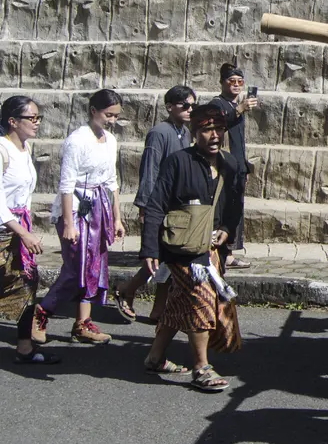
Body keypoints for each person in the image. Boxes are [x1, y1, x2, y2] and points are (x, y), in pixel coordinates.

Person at [140, 104, 246, 392]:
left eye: (219, 129)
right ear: (194, 132)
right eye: (207, 130)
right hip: (182, 249)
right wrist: (150, 250)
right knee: (201, 299)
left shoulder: (230, 163)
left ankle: (154, 358)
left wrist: (226, 230)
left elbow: (235, 204)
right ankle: (202, 367)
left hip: (211, 249)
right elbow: (156, 205)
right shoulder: (177, 162)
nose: (214, 135)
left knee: (178, 302)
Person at [33, 89, 127, 345]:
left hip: (99, 206)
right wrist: (69, 223)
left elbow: (112, 181)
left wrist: (116, 218)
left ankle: (82, 323)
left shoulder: (110, 140)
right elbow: (66, 183)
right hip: (75, 206)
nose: (112, 121)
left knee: (95, 265)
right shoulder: (77, 139)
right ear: (93, 111)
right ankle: (41, 313)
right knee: (76, 268)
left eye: (116, 116)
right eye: (108, 115)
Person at [112, 85, 196, 321]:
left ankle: (158, 311)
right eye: (185, 105)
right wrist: (146, 207)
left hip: (177, 205)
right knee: (159, 255)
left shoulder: (185, 133)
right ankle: (127, 290)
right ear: (170, 107)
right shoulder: (159, 133)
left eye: (192, 105)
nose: (190, 110)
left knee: (170, 258)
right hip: (158, 204)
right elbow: (149, 169)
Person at [1, 96, 54, 363]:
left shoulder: (24, 148)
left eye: (38, 117)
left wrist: (26, 227)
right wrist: (22, 232)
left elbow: (25, 194)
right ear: (13, 121)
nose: (36, 123)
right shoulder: (1, 149)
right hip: (4, 230)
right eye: (31, 118)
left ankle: (24, 346)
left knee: (28, 283)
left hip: (18, 228)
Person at [209, 63, 256, 269]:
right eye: (232, 81)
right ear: (223, 83)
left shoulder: (238, 106)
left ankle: (229, 251)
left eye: (240, 82)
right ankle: (222, 252)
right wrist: (238, 109)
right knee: (224, 208)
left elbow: (239, 141)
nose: (236, 85)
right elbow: (216, 125)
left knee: (235, 208)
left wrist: (244, 166)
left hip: (237, 165)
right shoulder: (217, 104)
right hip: (224, 165)